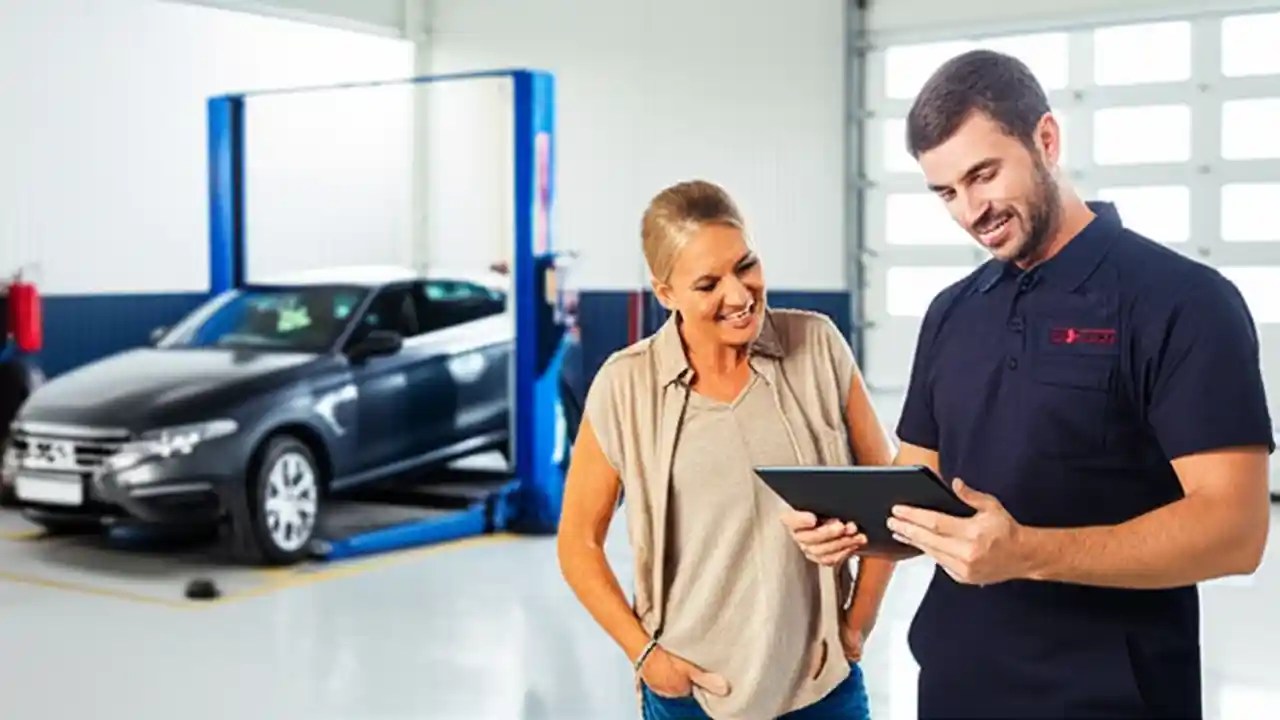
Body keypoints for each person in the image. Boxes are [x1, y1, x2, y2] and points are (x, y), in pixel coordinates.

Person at [784, 49, 1273, 719]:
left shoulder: (1185, 302)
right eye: (946, 193)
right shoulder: (952, 312)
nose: (968, 212)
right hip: (956, 684)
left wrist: (1027, 553)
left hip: (1113, 698)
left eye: (983, 175)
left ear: (1046, 139)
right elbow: (918, 486)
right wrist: (848, 526)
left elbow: (1235, 530)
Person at [557, 179, 896, 719]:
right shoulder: (626, 386)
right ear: (665, 293)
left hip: (820, 686)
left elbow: (889, 495)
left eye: (746, 265)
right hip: (691, 692)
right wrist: (645, 655)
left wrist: (858, 622)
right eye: (707, 283)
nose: (738, 296)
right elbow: (578, 541)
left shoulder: (818, 347)